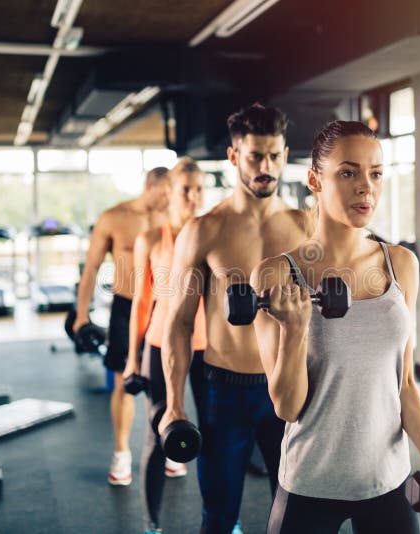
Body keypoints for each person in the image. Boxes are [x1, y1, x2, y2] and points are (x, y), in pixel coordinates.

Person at [251, 120, 420, 533]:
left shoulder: (401, 265)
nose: (366, 187)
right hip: (310, 483)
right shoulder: (276, 275)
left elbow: (405, 384)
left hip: (387, 483)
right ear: (315, 180)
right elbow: (287, 408)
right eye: (348, 172)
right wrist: (294, 331)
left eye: (375, 173)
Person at [159, 103, 312, 534]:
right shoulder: (205, 230)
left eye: (275, 156)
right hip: (224, 390)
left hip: (291, 387)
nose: (267, 167)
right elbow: (178, 321)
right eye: (255, 157)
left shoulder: (306, 226)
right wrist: (173, 403)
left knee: (300, 513)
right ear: (233, 157)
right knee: (220, 515)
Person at [122, 157, 208, 533]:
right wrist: (131, 359)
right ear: (170, 192)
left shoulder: (212, 235)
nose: (193, 197)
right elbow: (140, 303)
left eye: (199, 189)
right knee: (159, 433)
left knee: (217, 434)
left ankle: (223, 519)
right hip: (159, 345)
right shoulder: (150, 240)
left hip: (208, 347)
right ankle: (152, 524)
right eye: (185, 189)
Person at [73, 166, 172, 486]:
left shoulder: (172, 217)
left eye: (171, 193)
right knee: (123, 382)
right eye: (163, 193)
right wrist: (81, 314)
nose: (167, 199)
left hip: (161, 306)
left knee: (166, 383)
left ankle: (168, 445)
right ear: (148, 186)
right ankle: (121, 454)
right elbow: (90, 269)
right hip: (125, 307)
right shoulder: (114, 217)